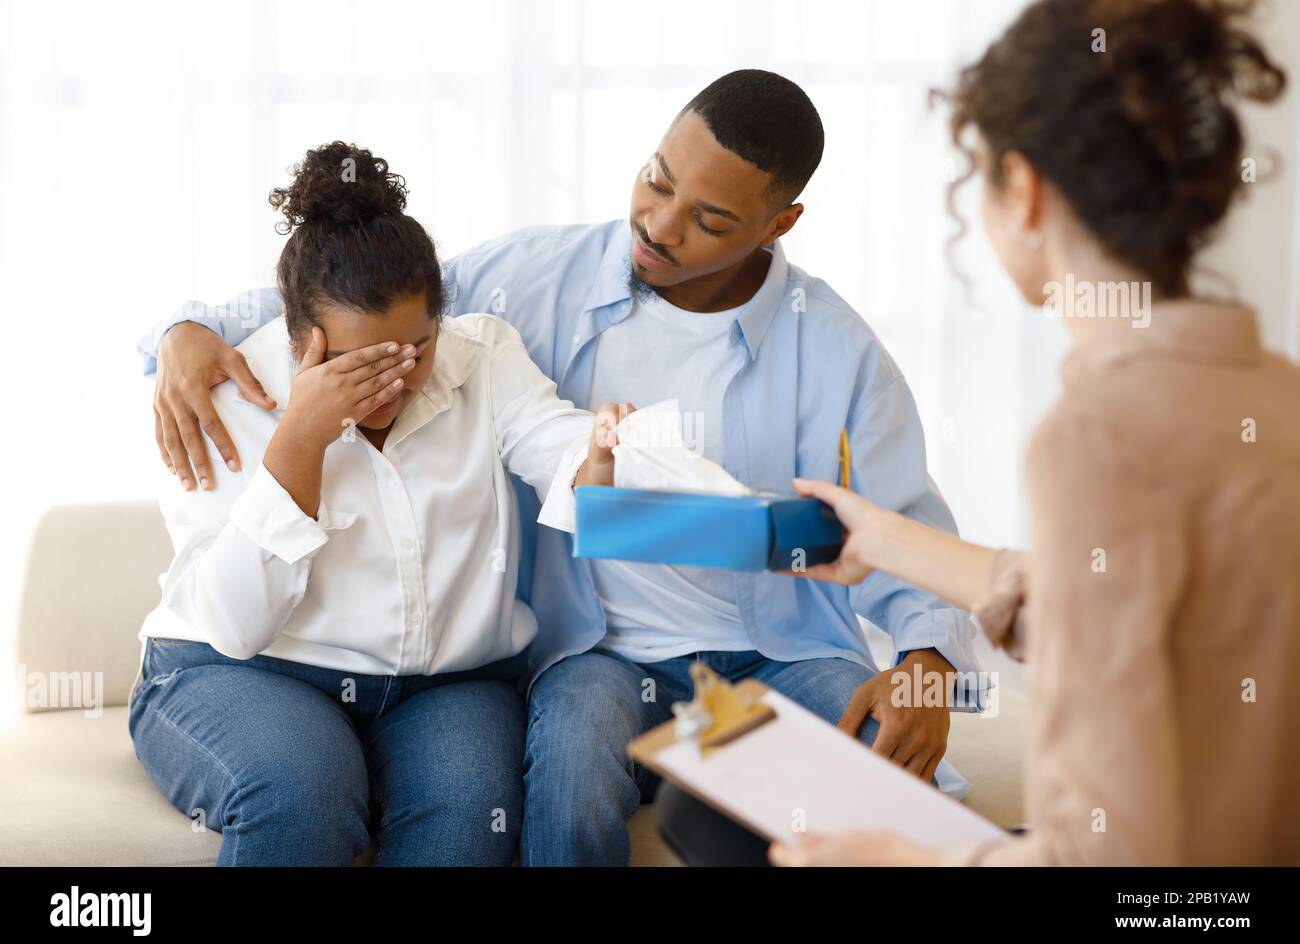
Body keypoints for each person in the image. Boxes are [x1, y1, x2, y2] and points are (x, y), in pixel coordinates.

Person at [139, 71, 987, 866]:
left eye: (710, 221)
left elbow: (904, 525)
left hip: (777, 652)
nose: (659, 225)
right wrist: (184, 328)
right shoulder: (529, 279)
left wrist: (928, 663)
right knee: (549, 776)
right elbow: (358, 288)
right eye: (656, 181)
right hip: (601, 656)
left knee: (883, 767)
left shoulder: (835, 349)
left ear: (778, 225)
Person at [669, 0, 1300, 867]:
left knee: (719, 820)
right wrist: (886, 541)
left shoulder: (1099, 436)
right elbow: (1132, 609)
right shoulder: (1272, 391)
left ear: (1024, 189)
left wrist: (904, 862)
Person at [129, 142, 624, 865]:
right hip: (243, 670)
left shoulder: (482, 357)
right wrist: (300, 440)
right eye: (361, 363)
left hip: (445, 685)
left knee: (468, 815)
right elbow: (234, 624)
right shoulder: (227, 394)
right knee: (303, 792)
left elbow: (559, 448)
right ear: (298, 334)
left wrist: (602, 456)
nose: (394, 385)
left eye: (414, 351)